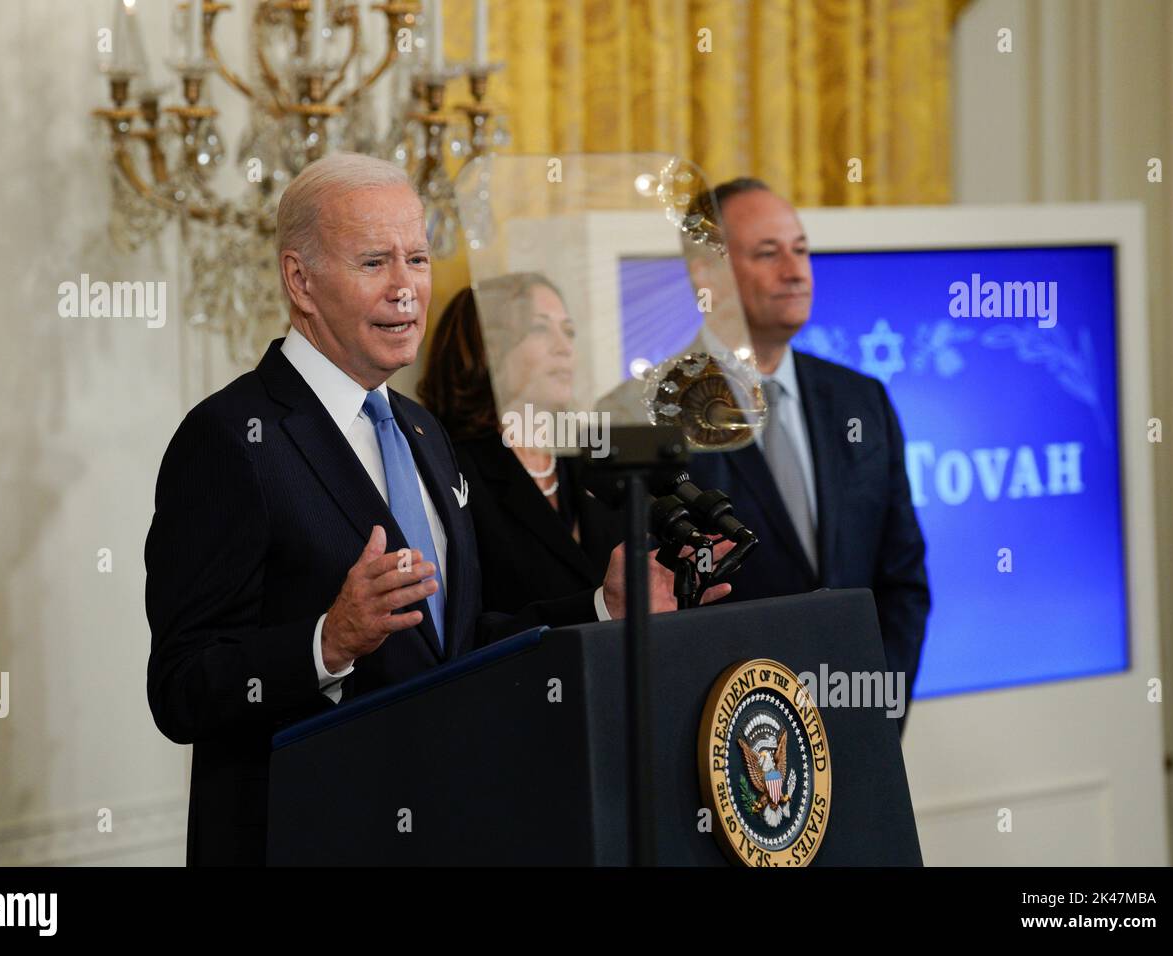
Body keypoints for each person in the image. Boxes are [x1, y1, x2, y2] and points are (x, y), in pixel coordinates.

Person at [144, 152, 730, 866]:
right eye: (373, 263)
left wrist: (602, 607)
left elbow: (459, 645)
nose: (406, 289)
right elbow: (180, 688)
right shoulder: (232, 437)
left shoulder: (424, 432)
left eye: (417, 258)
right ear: (300, 280)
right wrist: (327, 642)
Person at [681, 177, 931, 728]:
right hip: (725, 757)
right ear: (707, 273)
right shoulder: (652, 414)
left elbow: (902, 581)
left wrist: (876, 721)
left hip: (858, 738)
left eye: (800, 250)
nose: (796, 272)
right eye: (768, 254)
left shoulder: (861, 400)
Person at [419, 276, 621, 614]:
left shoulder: (595, 458)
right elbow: (467, 630)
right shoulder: (450, 469)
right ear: (487, 346)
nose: (564, 346)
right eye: (541, 330)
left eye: (569, 331)